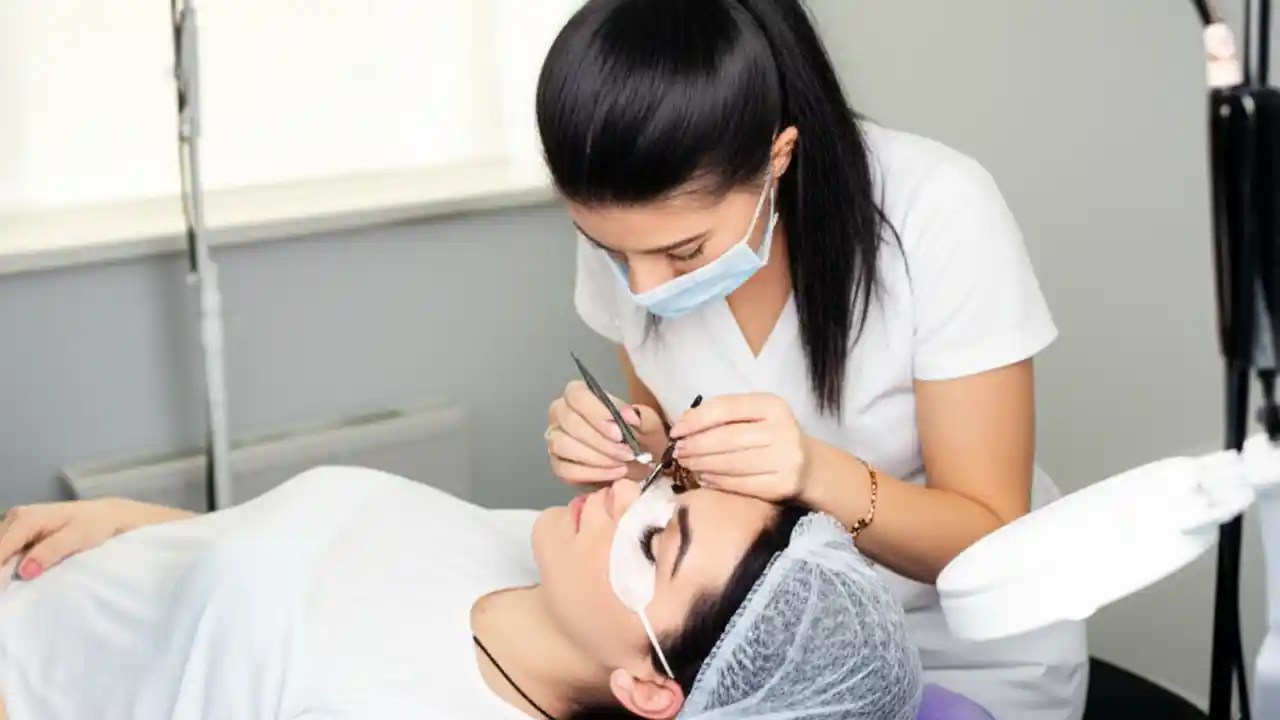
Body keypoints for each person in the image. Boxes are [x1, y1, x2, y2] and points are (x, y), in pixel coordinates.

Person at [537, 1, 1088, 718]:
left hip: (965, 650)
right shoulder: (635, 224)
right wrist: (641, 454)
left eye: (685, 252)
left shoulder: (938, 213)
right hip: (757, 667)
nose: (642, 288)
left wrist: (813, 472)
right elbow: (685, 472)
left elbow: (989, 540)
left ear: (778, 155)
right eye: (611, 251)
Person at [0, 467, 923, 719]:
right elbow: (305, 562)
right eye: (670, 486)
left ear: (649, 685)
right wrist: (144, 524)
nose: (625, 496)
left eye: (656, 537)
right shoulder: (540, 556)